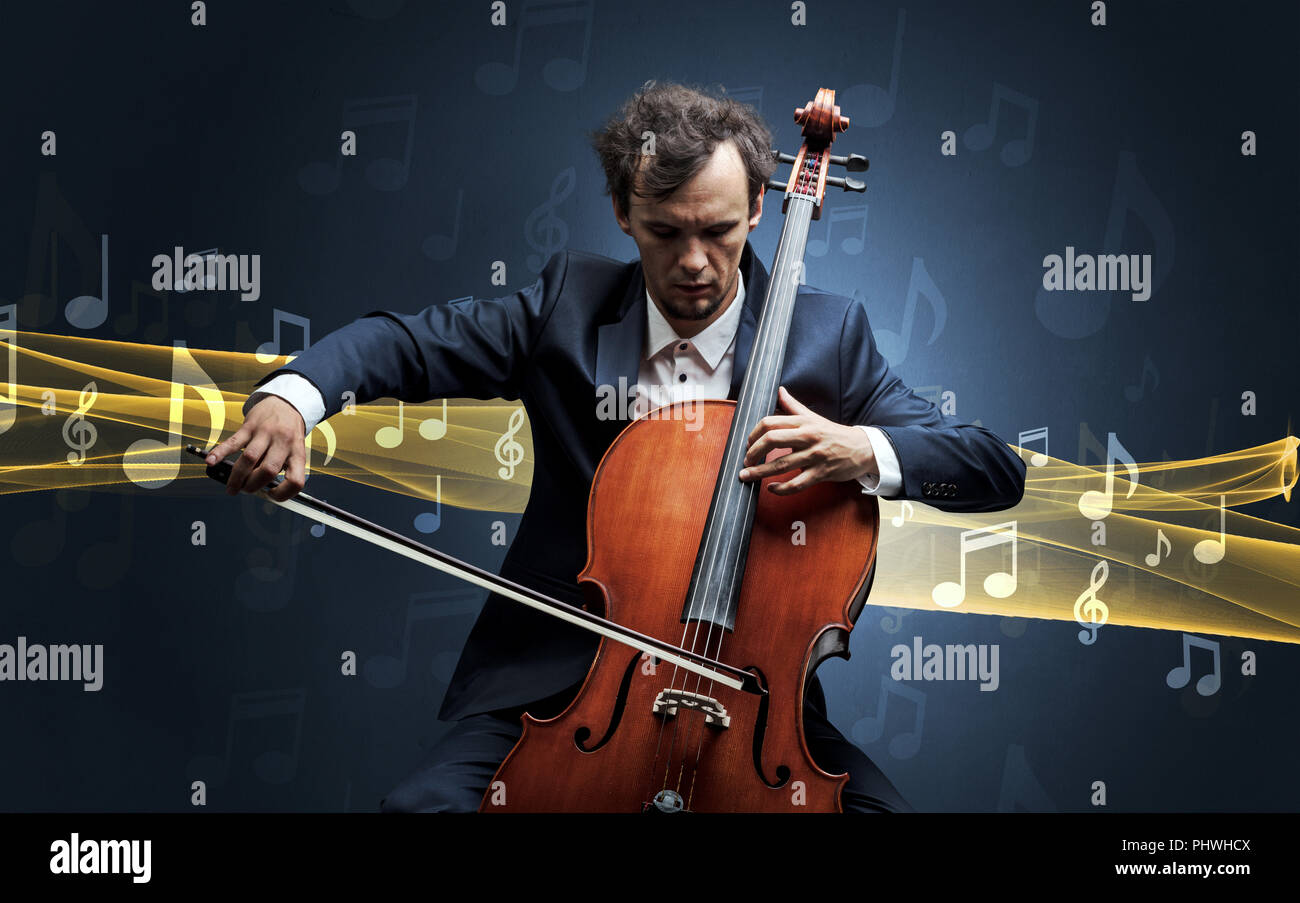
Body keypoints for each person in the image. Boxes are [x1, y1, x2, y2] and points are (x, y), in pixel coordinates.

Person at [205, 81, 1026, 813]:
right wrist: (291, 399)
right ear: (621, 212)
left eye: (720, 231)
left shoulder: (828, 341)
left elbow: (993, 466)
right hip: (561, 688)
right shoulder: (566, 306)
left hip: (753, 711)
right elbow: (405, 345)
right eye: (666, 233)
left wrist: (860, 449)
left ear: (759, 209)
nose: (696, 263)